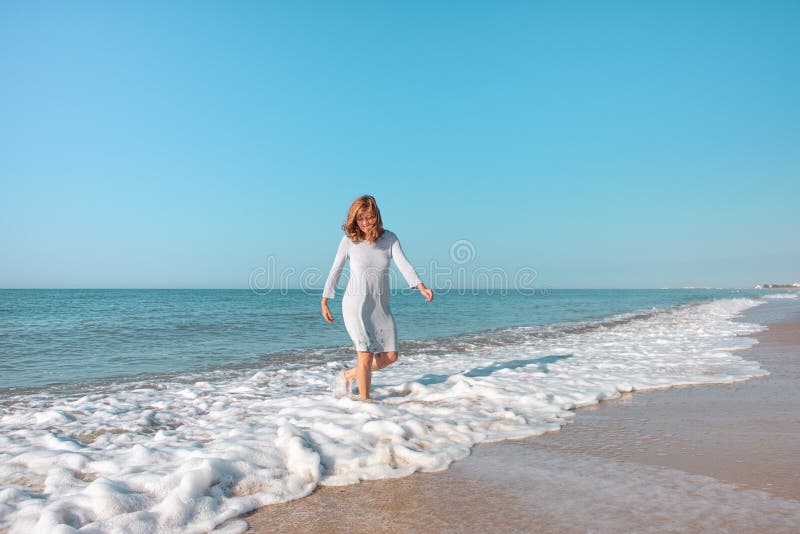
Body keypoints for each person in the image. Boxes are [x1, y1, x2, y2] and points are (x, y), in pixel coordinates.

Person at [321, 195, 434, 401]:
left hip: (380, 306)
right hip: (355, 305)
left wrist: (421, 286)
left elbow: (403, 264)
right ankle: (366, 404)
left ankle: (348, 375)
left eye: (369, 218)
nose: (365, 223)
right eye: (360, 219)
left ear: (377, 216)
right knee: (365, 355)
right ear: (354, 219)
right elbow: (335, 270)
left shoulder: (389, 239)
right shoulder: (349, 241)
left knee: (390, 356)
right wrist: (325, 299)